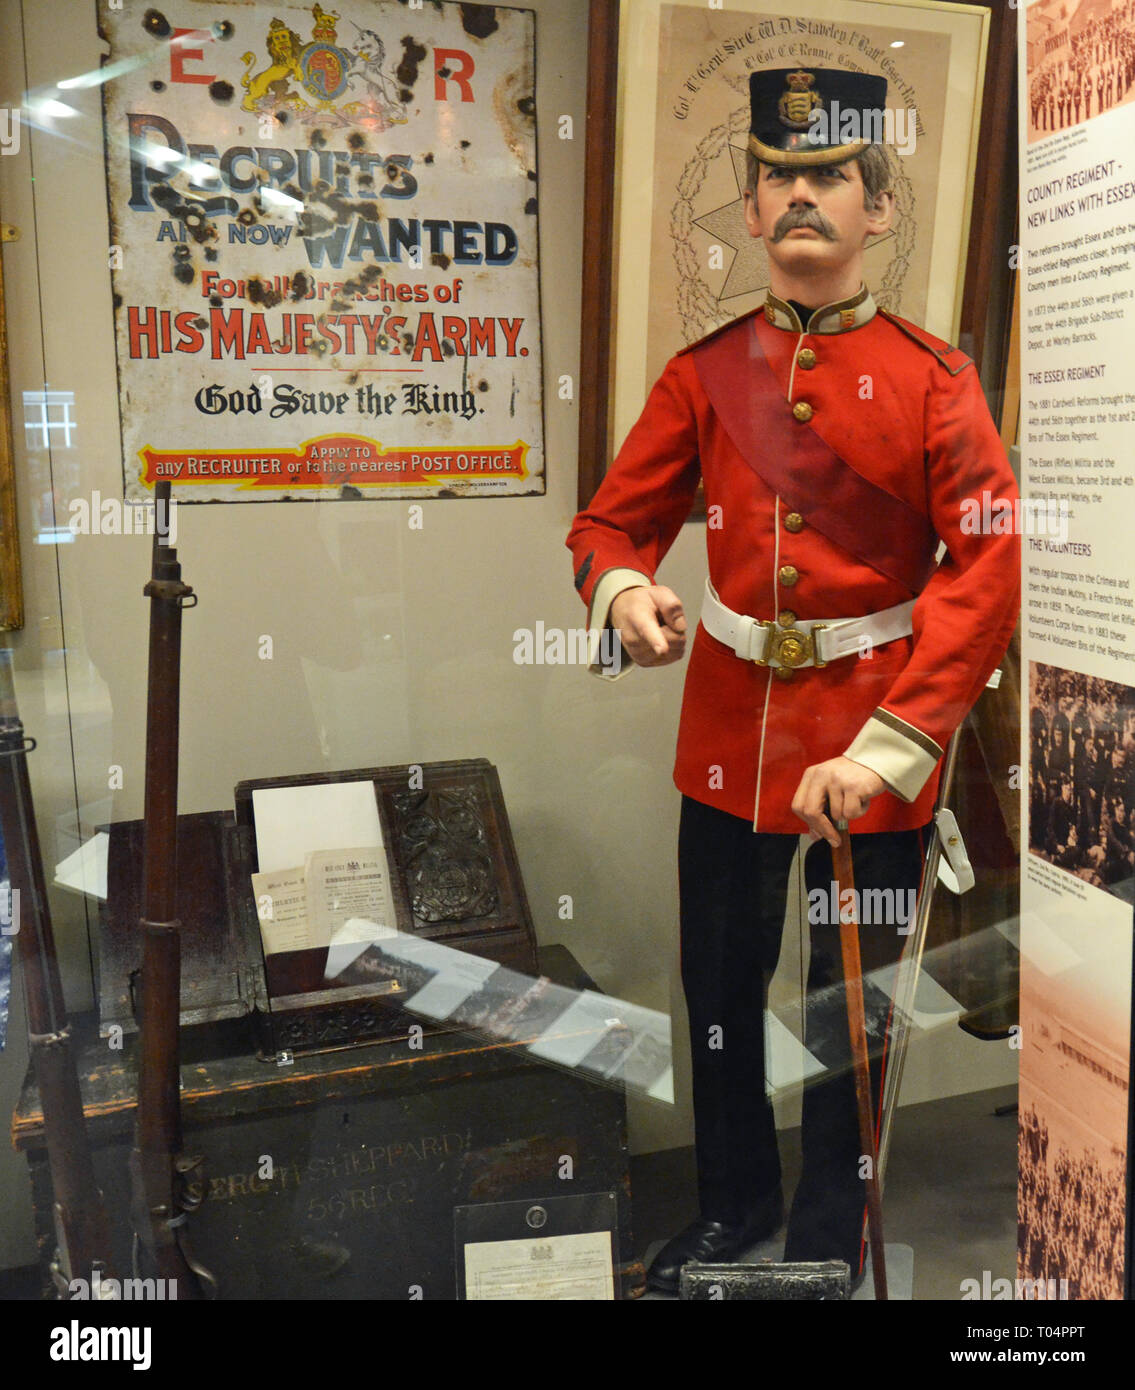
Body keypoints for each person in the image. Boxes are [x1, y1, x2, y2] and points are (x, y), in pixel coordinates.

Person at [566, 66, 1019, 1292]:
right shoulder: (705, 376)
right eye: (781, 176)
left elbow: (987, 567)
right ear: (753, 208)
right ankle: (730, 1202)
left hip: (871, 746)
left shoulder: (937, 384)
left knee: (849, 1004)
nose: (804, 195)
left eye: (832, 176)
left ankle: (832, 1226)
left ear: (878, 207)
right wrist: (623, 591)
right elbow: (605, 526)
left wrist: (889, 746)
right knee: (716, 983)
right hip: (723, 737)